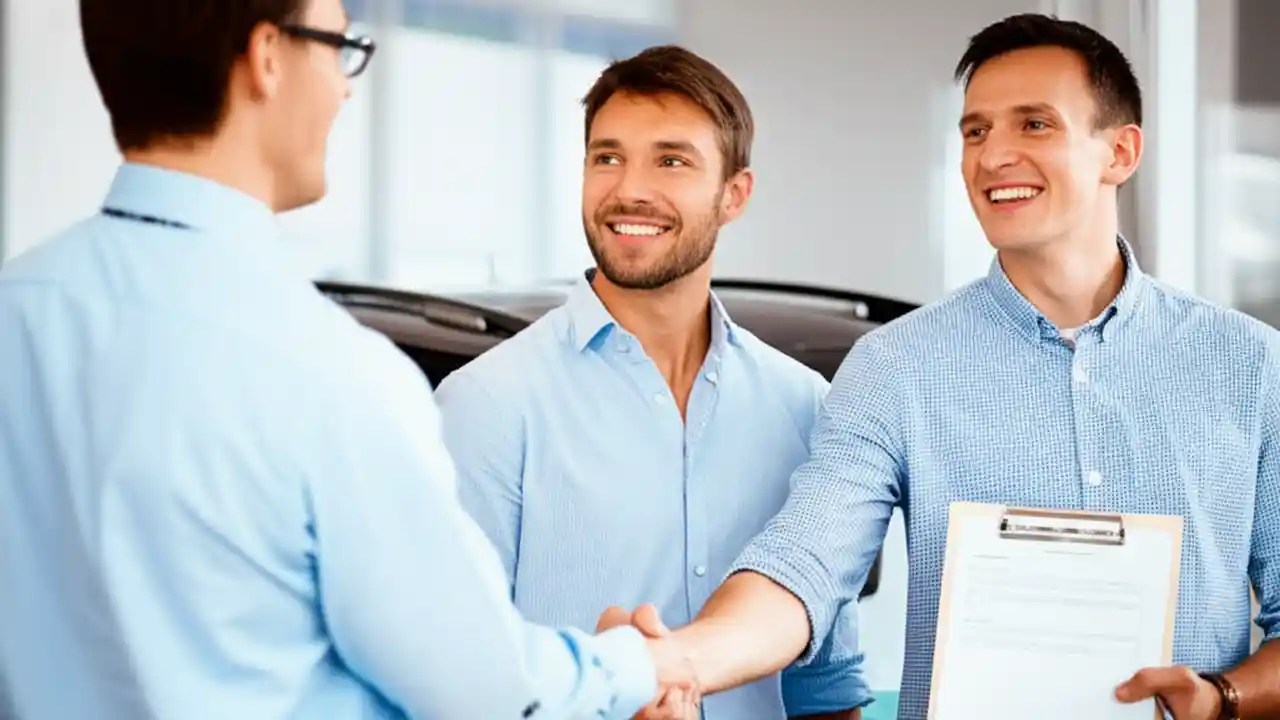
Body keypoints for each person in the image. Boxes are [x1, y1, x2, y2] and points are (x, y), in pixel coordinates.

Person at [0, 1, 697, 718]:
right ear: (269, 56)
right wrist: (638, 666)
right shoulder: (327, 369)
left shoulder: (16, 308)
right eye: (340, 48)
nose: (345, 87)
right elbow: (482, 689)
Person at [599, 13, 1280, 720]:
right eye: (976, 131)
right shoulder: (897, 366)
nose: (993, 156)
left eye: (1034, 125)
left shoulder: (1249, 365)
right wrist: (684, 661)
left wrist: (1221, 698)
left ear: (1120, 152)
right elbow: (805, 562)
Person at [434, 45, 870, 720]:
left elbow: (825, 686)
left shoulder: (802, 403)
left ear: (735, 195)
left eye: (671, 160)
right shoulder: (486, 406)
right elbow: (453, 681)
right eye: (607, 157)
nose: (629, 189)